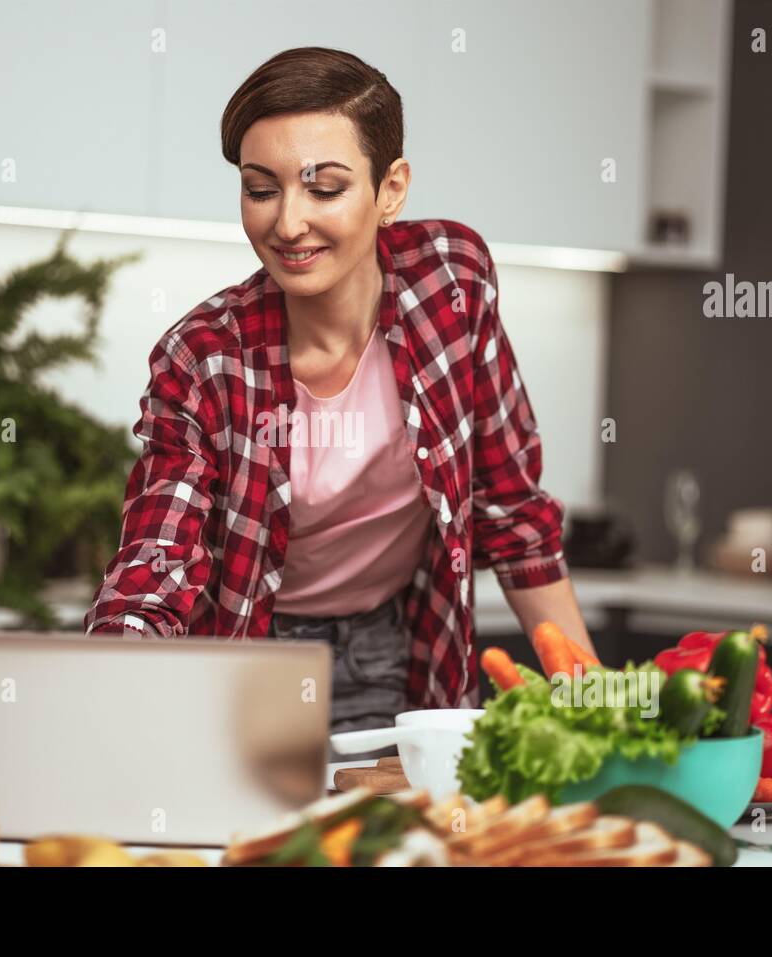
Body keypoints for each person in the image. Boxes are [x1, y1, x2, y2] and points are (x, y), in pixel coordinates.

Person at [85, 46, 595, 739]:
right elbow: (156, 565)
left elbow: (510, 512)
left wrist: (595, 708)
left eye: (324, 188)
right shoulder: (203, 355)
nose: (288, 222)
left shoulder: (452, 284)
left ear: (391, 190)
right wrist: (107, 689)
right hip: (244, 662)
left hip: (392, 653)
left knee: (388, 845)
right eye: (261, 188)